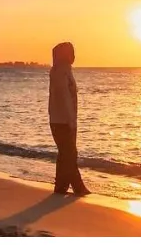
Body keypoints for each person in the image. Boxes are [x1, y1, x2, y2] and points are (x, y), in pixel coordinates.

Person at [48, 41, 90, 196]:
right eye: (71, 52)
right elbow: (64, 97)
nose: (74, 56)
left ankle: (61, 187)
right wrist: (71, 120)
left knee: (65, 154)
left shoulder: (63, 70)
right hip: (62, 121)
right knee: (70, 154)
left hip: (62, 119)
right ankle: (78, 187)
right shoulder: (60, 71)